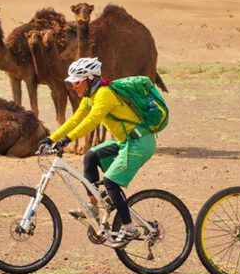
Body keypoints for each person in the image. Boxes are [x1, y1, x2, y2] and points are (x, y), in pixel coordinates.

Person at [40, 57, 157, 245]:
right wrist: (52, 138)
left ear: (90, 79)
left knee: (110, 182)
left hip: (140, 142)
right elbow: (76, 119)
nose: (74, 87)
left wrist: (68, 139)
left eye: (77, 82)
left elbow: (92, 120)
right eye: (72, 83)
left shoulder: (104, 94)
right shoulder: (90, 97)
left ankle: (130, 229)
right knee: (91, 156)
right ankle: (93, 207)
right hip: (124, 141)